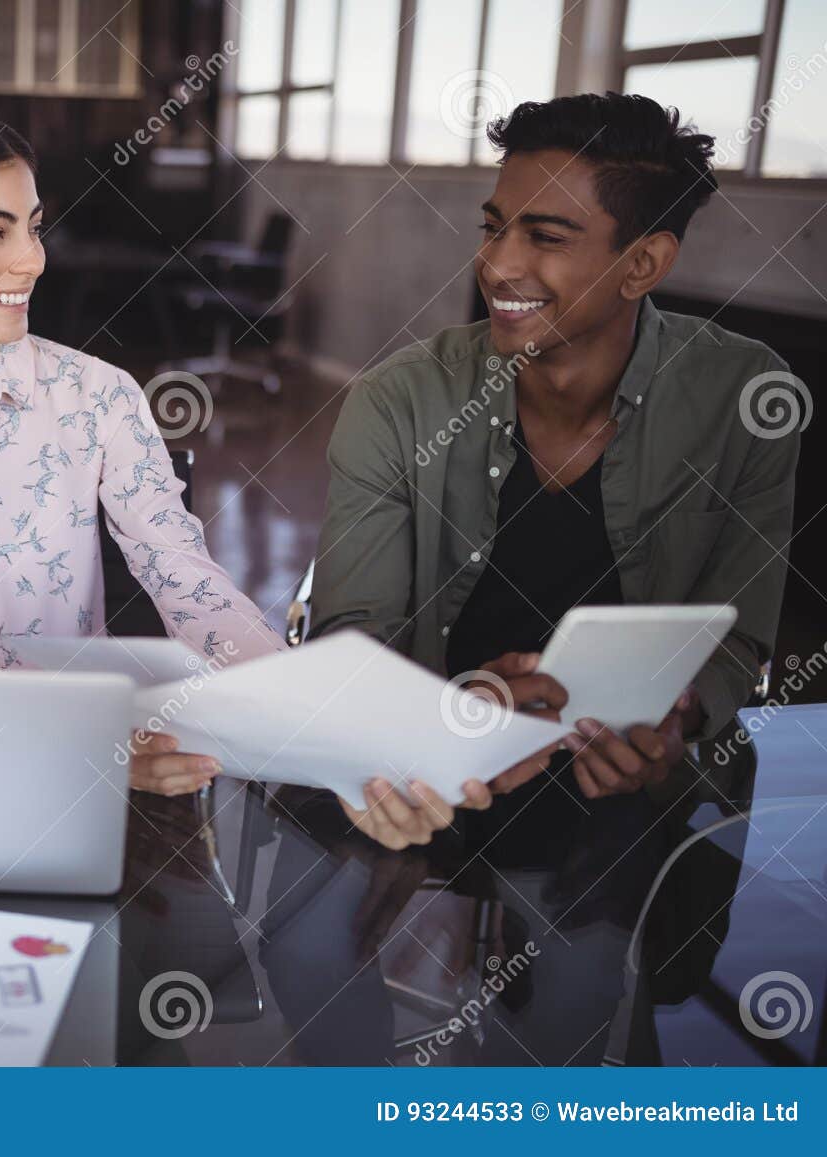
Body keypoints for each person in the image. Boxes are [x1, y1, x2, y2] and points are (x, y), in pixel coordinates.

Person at [0, 108, 472, 842]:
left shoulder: (97, 397)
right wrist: (87, 739)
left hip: (73, 795)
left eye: (34, 227)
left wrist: (323, 734)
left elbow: (187, 581)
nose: (32, 260)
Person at [311, 92, 799, 823]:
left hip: (647, 817)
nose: (496, 263)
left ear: (642, 264)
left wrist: (679, 717)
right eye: (493, 227)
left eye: (545, 236)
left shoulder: (746, 400)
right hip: (422, 791)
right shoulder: (397, 401)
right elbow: (351, 646)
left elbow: (738, 635)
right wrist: (450, 719)